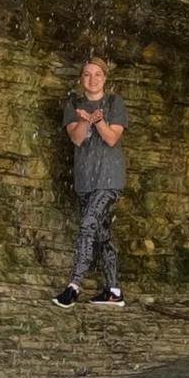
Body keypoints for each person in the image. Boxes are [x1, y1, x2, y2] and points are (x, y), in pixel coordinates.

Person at [54, 57, 128, 308]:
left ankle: (73, 287)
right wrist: (85, 119)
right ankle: (114, 291)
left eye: (97, 74)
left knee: (87, 226)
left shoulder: (114, 102)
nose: (92, 79)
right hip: (86, 180)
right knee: (102, 234)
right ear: (81, 78)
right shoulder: (74, 103)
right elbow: (76, 139)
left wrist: (98, 120)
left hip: (109, 179)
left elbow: (111, 139)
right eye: (87, 74)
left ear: (105, 78)